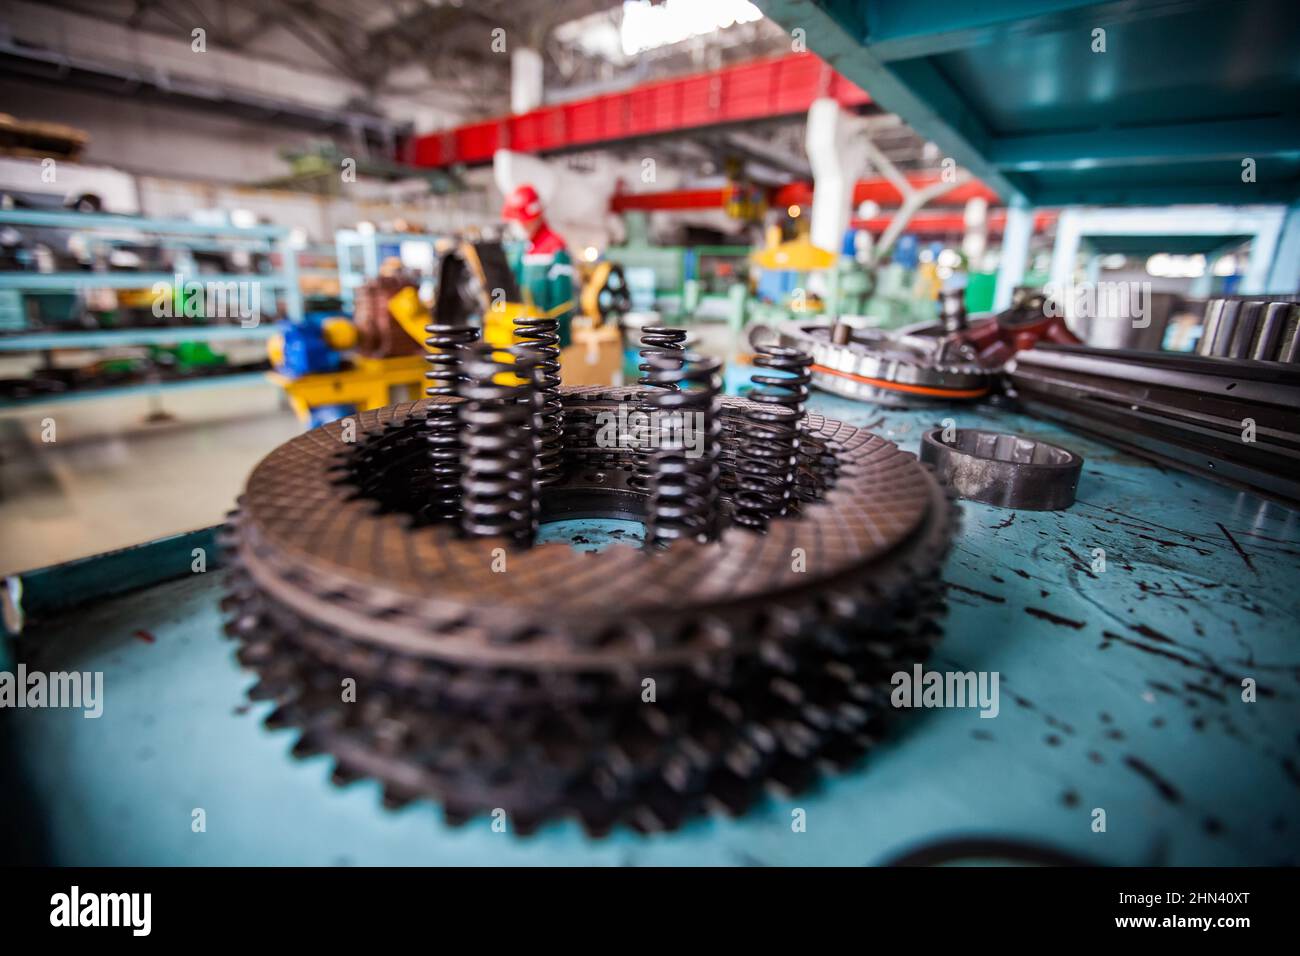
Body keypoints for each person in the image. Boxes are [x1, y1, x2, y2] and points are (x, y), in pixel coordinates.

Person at [500, 184, 575, 347]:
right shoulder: (523, 250)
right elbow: (513, 288)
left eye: (521, 221)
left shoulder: (556, 247)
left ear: (535, 217)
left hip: (551, 343)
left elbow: (563, 303)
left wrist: (542, 333)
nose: (519, 225)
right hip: (527, 337)